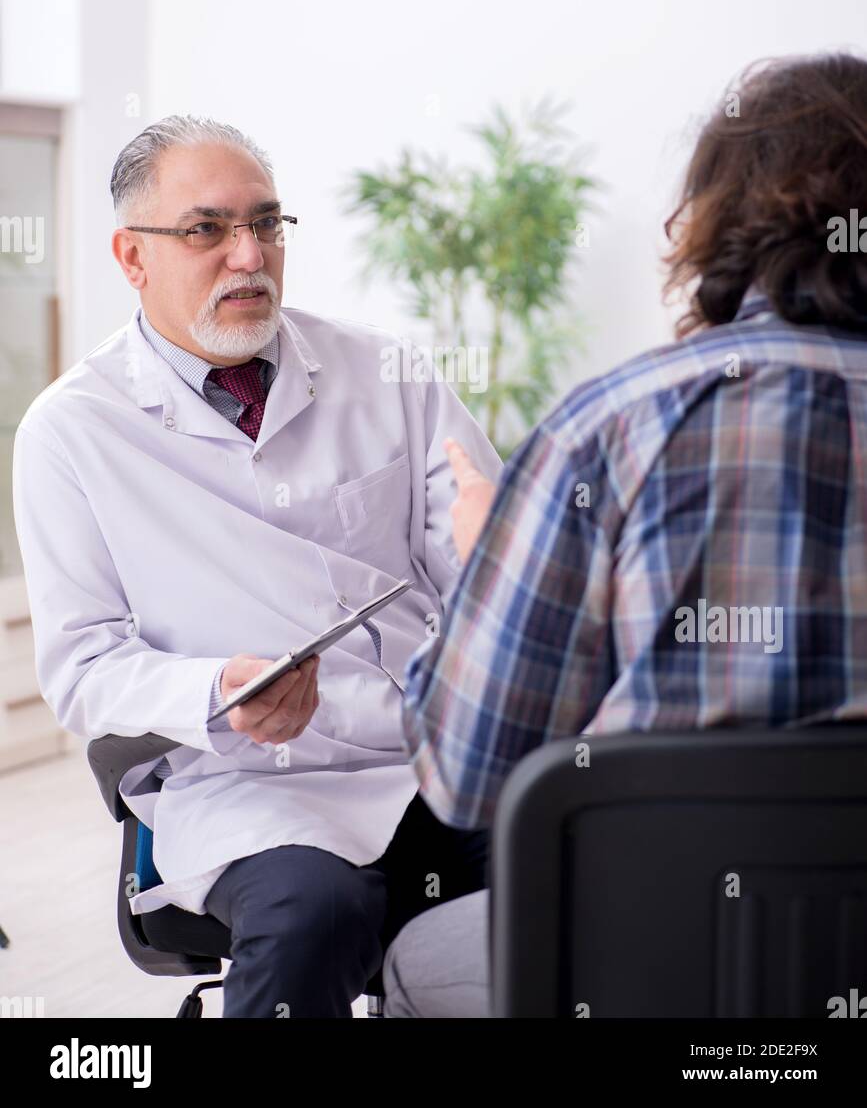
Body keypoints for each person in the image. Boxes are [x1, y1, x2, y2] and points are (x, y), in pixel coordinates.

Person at [385, 51, 867, 1017]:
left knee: (417, 958)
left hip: (656, 976)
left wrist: (487, 564)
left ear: (715, 220)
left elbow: (467, 774)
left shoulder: (610, 427)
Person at [12, 115, 501, 1017]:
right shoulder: (70, 431)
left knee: (595, 867)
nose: (249, 256)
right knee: (313, 913)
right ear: (132, 257)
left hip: (427, 754)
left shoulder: (385, 370)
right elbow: (82, 672)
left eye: (267, 225)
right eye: (207, 230)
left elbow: (486, 564)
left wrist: (504, 557)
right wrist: (215, 689)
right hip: (250, 785)